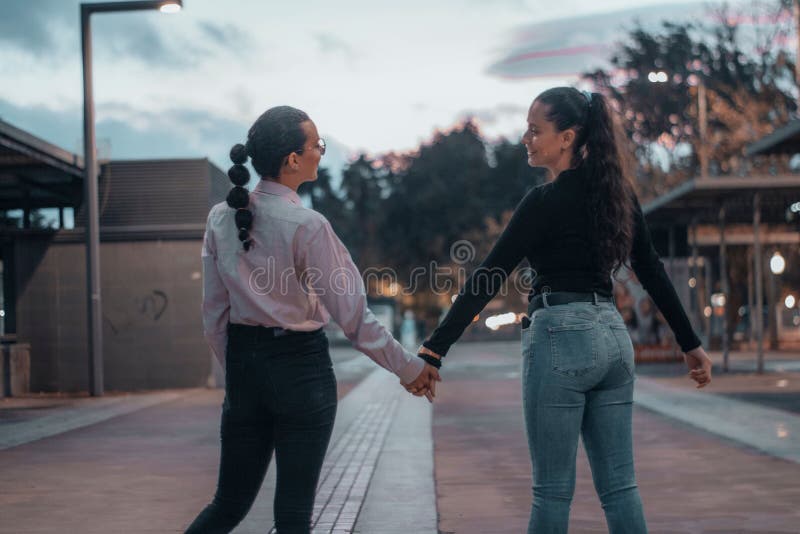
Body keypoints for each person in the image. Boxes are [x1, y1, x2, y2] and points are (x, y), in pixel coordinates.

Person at [411, 87, 712, 533]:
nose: (526, 139)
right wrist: (691, 344)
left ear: (567, 137)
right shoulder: (618, 196)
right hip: (613, 338)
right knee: (620, 487)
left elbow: (489, 276)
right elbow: (652, 271)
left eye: (535, 131)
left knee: (552, 492)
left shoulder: (542, 202)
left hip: (560, 338)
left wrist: (434, 350)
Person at [186, 106, 440, 534]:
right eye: (317, 144)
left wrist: (241, 372)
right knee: (293, 515)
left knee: (227, 505)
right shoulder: (308, 225)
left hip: (244, 363)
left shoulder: (219, 218)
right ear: (292, 159)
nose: (321, 152)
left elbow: (214, 314)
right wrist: (410, 368)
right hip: (300, 369)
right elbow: (353, 317)